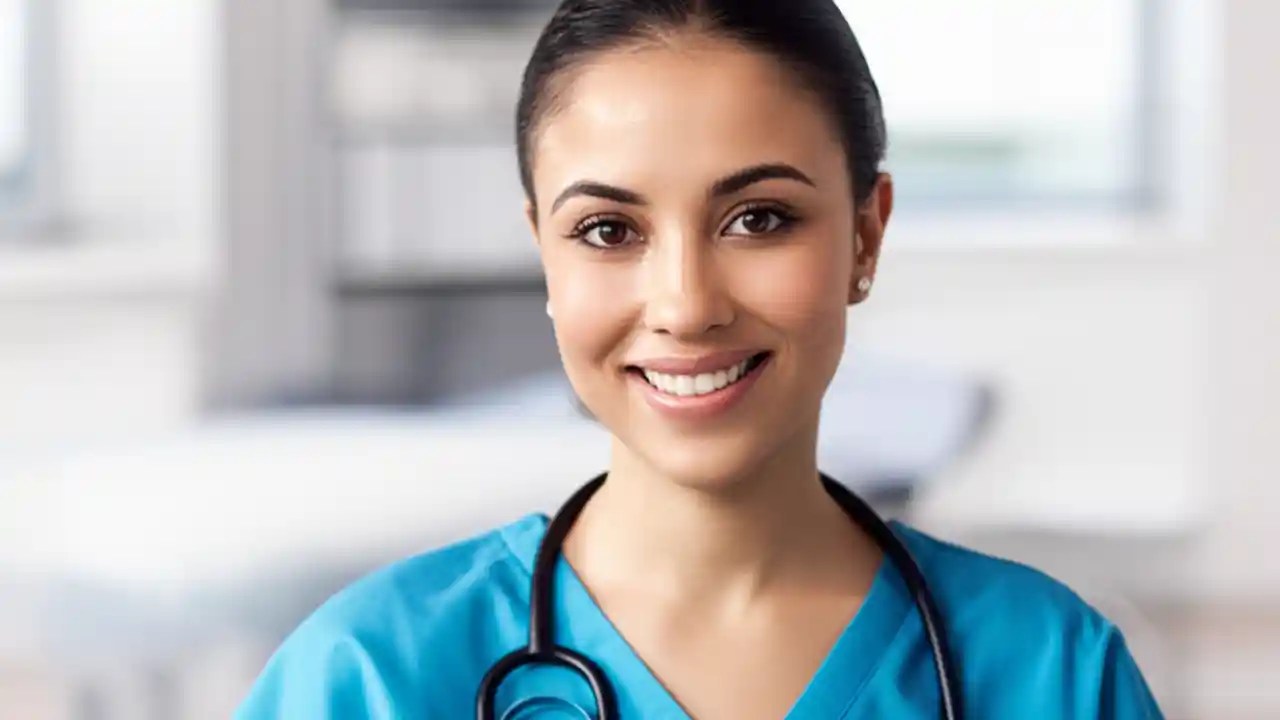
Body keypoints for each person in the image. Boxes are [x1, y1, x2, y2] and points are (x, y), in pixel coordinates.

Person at [235, 1, 1165, 717]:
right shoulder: (368, 677)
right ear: (544, 253)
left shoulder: (1051, 673)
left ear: (865, 236)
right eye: (608, 230)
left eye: (759, 219)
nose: (686, 305)